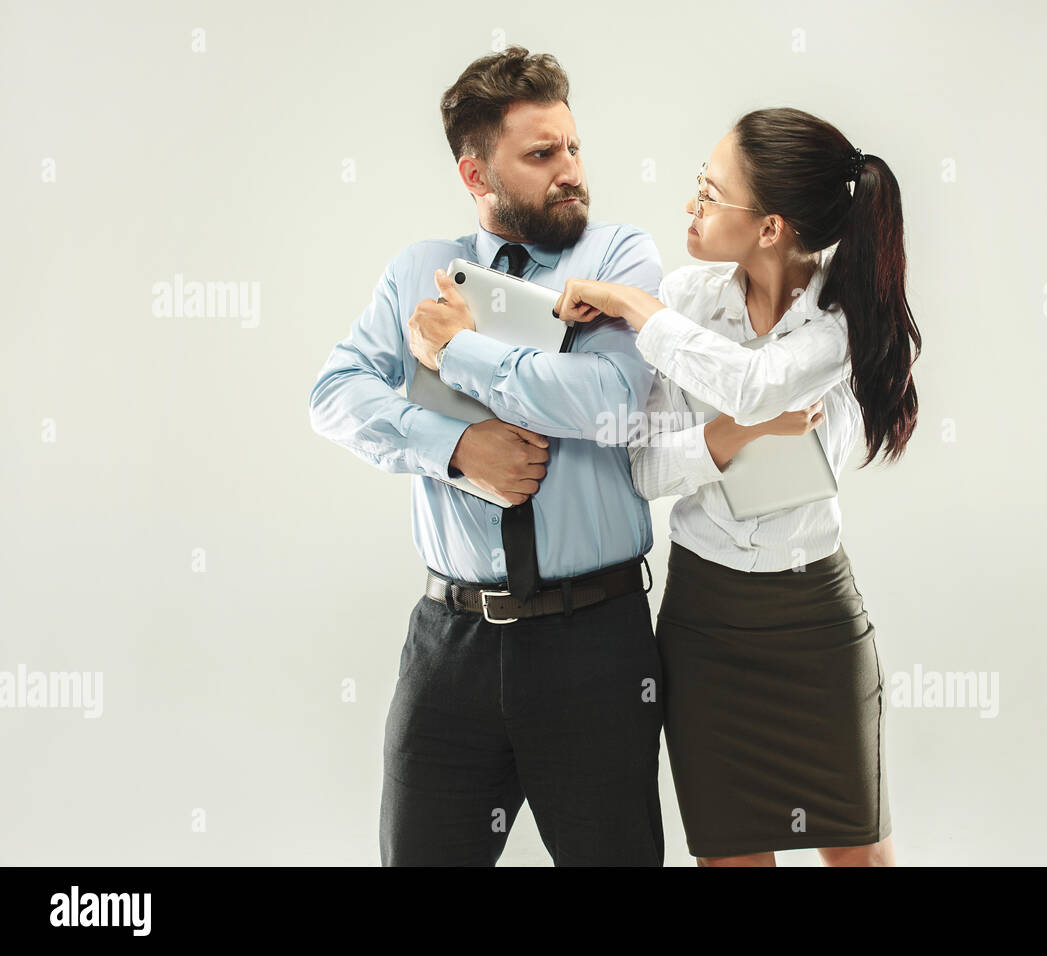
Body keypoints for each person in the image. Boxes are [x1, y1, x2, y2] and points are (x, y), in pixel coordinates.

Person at [308, 46, 667, 866]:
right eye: (542, 156)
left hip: (595, 643)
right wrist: (458, 449)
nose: (570, 170)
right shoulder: (416, 272)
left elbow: (612, 403)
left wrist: (460, 354)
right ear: (477, 177)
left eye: (573, 147)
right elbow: (335, 395)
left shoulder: (617, 259)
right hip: (450, 646)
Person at [553, 107, 922, 866]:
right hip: (705, 626)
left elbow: (754, 383)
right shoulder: (685, 302)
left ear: (770, 228)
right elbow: (646, 467)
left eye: (710, 192)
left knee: (863, 856)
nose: (692, 204)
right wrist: (732, 436)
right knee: (729, 856)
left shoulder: (842, 319)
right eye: (699, 183)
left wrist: (631, 305)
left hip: (814, 620)